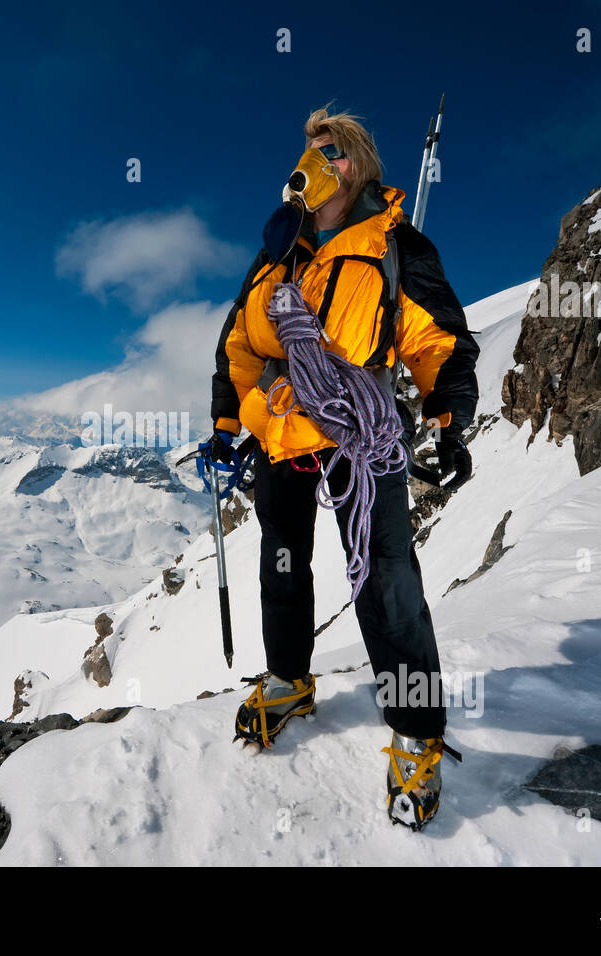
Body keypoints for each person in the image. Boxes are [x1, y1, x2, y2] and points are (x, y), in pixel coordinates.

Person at [208, 107, 478, 829]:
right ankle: (290, 680)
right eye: (308, 152)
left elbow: (438, 343)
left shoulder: (394, 244)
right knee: (284, 565)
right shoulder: (279, 254)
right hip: (280, 433)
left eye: (329, 151)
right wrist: (226, 426)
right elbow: (239, 346)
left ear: (356, 164)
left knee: (386, 577)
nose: (314, 163)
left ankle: (417, 730)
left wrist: (450, 422)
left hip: (358, 435)